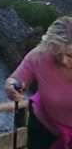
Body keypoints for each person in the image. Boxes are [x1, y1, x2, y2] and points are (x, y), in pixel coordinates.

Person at [5, 16, 72, 149]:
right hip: (44, 124)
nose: (64, 60)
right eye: (58, 53)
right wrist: (12, 86)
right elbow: (16, 79)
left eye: (71, 55)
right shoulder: (40, 55)